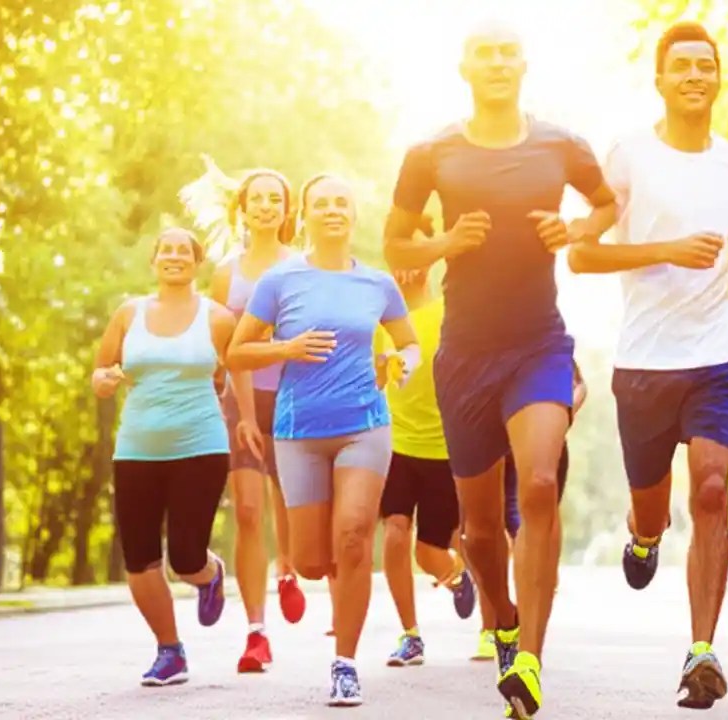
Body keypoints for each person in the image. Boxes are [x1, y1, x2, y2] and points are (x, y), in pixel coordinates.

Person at [382, 19, 616, 719]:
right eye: (484, 53)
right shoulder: (431, 153)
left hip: (540, 344)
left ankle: (531, 661)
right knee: (479, 531)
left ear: (524, 66)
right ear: (464, 67)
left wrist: (577, 231)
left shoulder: (561, 144)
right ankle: (504, 621)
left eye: (508, 52)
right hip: (465, 356)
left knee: (540, 483)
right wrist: (447, 240)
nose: (497, 62)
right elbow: (394, 241)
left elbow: (604, 204)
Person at [566, 21, 728, 710]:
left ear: (718, 77)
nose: (693, 75)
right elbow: (582, 253)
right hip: (645, 364)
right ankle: (642, 534)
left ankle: (702, 653)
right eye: (680, 65)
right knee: (653, 506)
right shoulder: (628, 155)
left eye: (704, 65)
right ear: (660, 80)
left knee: (711, 491)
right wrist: (665, 249)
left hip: (717, 355)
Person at [227, 173, 421, 707]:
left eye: (342, 202)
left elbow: (410, 344)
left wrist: (397, 363)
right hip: (299, 432)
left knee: (355, 535)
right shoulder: (280, 280)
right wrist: (285, 349)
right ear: (305, 215)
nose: (333, 210)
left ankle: (345, 663)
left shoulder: (378, 284)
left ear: (354, 215)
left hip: (365, 424)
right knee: (314, 561)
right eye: (321, 203)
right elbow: (237, 354)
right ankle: (326, 580)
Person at [91, 227, 239, 687]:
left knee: (184, 556)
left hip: (200, 446)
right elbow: (100, 369)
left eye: (184, 251)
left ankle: (209, 573)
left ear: (197, 263)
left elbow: (231, 375)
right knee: (138, 557)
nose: (175, 257)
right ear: (154, 261)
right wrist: (104, 381)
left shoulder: (218, 318)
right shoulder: (128, 313)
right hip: (137, 449)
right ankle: (169, 650)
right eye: (166, 250)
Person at [205, 168, 307, 673]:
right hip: (240, 400)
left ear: (288, 211)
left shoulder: (303, 267)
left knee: (288, 505)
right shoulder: (228, 273)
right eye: (257, 199)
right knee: (248, 511)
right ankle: (256, 632)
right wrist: (244, 415)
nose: (266, 206)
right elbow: (231, 351)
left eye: (276, 198)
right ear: (241, 210)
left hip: (293, 400)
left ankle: (289, 568)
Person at [374, 260, 477, 668]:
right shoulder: (381, 323)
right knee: (395, 534)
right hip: (395, 444)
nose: (406, 267)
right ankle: (410, 635)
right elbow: (374, 379)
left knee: (429, 552)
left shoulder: (449, 316)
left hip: (444, 449)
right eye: (402, 253)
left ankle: (456, 575)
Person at [474, 360, 585, 660]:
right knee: (482, 533)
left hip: (543, 444)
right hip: (496, 445)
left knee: (528, 526)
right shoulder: (478, 341)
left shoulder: (546, 339)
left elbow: (579, 385)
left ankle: (526, 638)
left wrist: (563, 414)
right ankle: (496, 624)